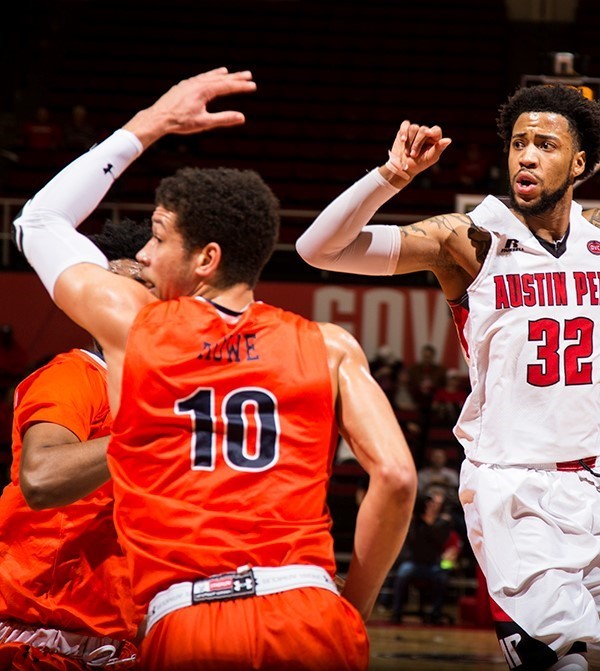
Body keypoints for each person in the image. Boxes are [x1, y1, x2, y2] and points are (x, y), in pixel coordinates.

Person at [296, 66, 600, 670]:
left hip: (598, 487)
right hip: (514, 488)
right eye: (518, 144)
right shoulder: (469, 239)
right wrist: (391, 176)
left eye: (545, 145)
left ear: (580, 164)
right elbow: (318, 249)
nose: (526, 157)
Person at [13, 68, 417, 670]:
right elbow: (397, 478)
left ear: (206, 257)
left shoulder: (137, 326)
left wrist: (152, 124)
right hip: (312, 611)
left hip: (194, 615)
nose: (143, 255)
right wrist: (350, 605)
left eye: (155, 237)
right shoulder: (331, 345)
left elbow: (37, 222)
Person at [0, 220, 150, 671]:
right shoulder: (74, 375)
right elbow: (41, 478)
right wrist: (143, 435)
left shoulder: (162, 394)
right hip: (44, 637)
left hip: (119, 638)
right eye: (135, 286)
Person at [390, 487, 461, 625]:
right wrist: (418, 519)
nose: (432, 506)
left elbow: (440, 539)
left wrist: (429, 522)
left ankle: (436, 614)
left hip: (434, 563)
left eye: (436, 504)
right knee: (403, 573)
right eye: (430, 503)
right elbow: (412, 541)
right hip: (414, 562)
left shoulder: (444, 522)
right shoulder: (416, 521)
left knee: (441, 577)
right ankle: (396, 612)